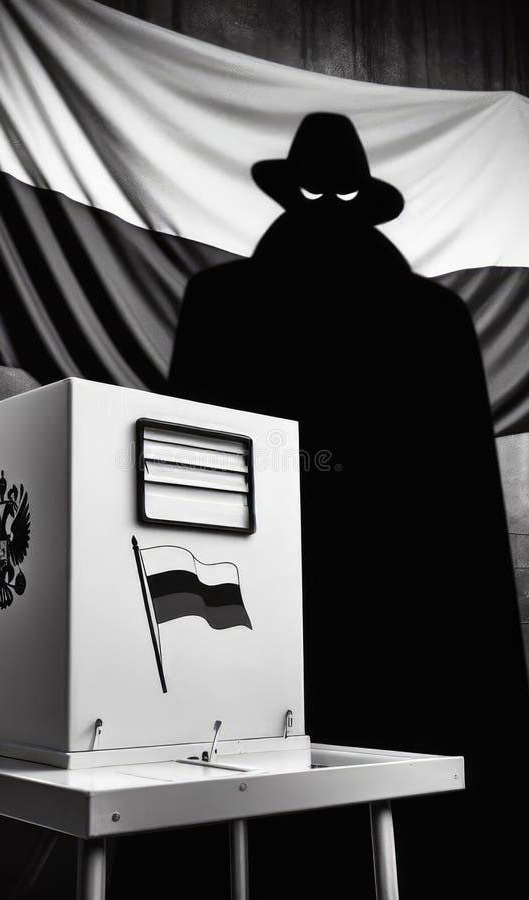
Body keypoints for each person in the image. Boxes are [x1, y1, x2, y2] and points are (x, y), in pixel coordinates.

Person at [168, 113, 529, 897]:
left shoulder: (222, 303)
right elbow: (464, 521)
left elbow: (189, 492)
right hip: (412, 630)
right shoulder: (434, 319)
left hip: (243, 616)